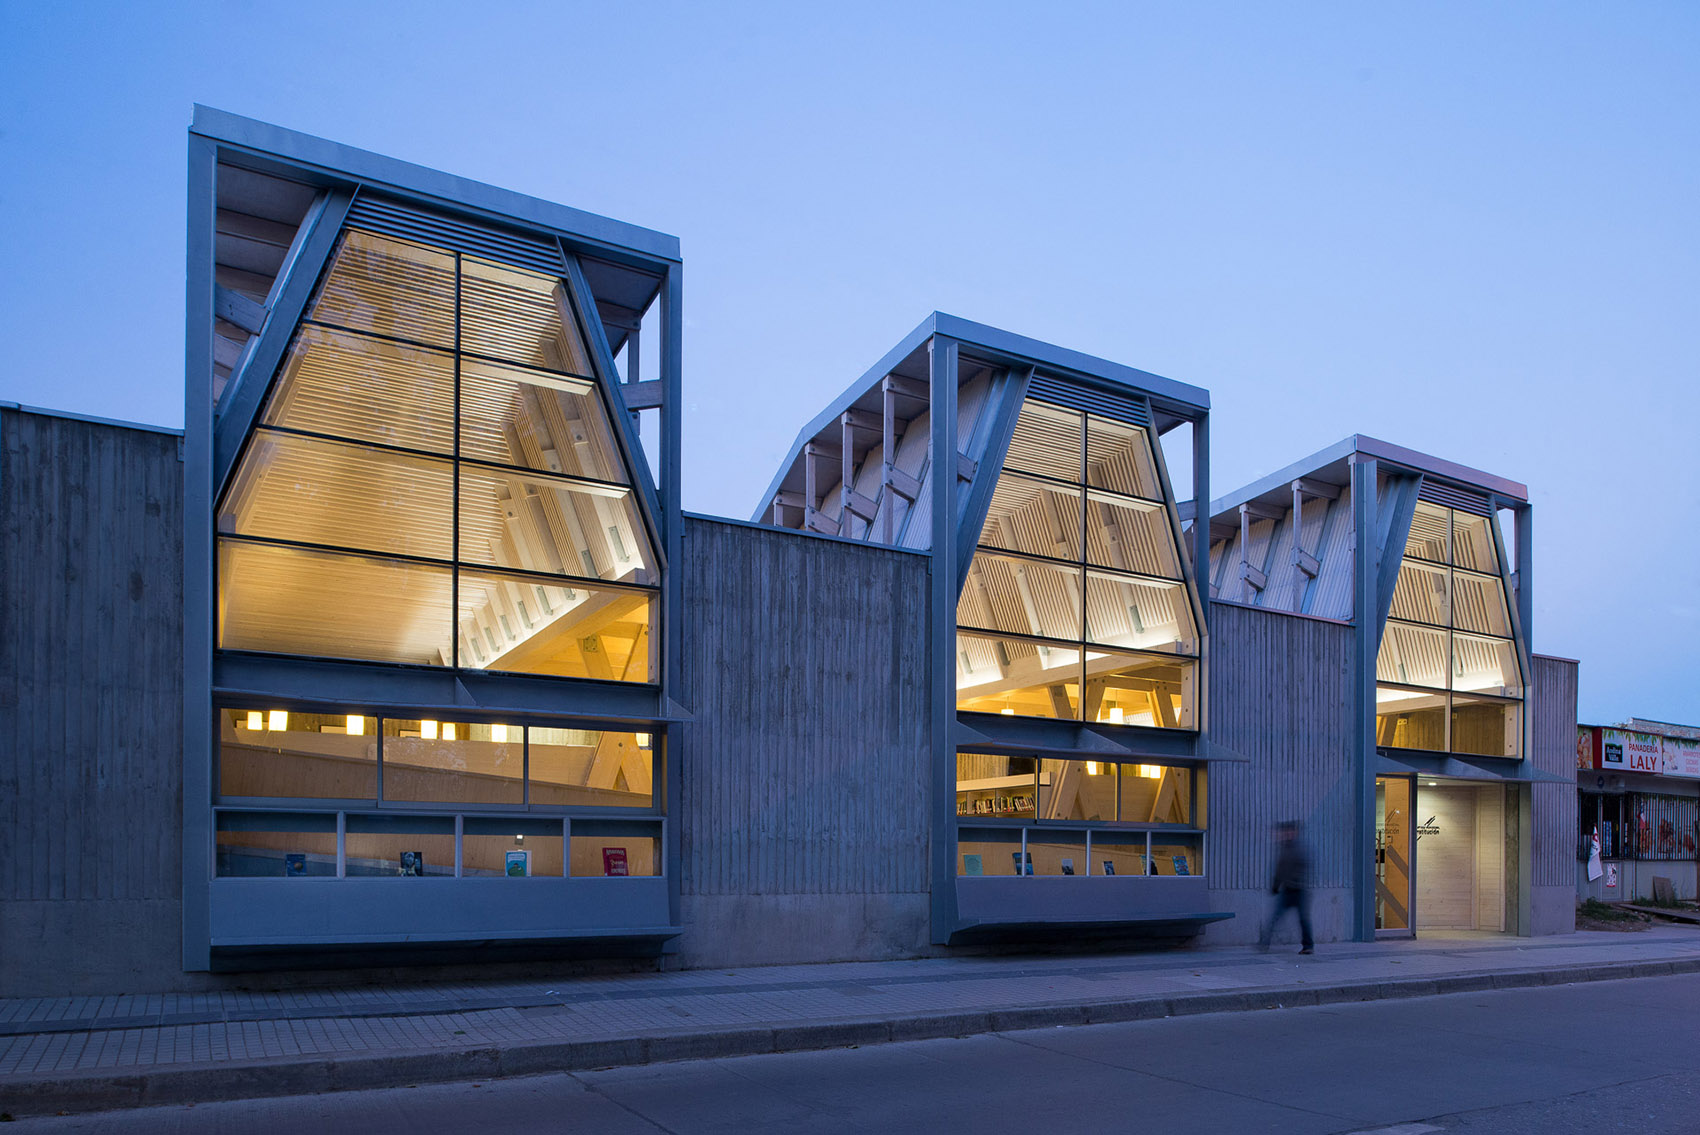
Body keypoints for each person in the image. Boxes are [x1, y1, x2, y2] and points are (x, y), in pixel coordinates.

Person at [1259, 819, 1313, 954]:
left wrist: (1279, 884)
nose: (1287, 834)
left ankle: (1308, 946)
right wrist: (1276, 885)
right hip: (1288, 889)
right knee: (1276, 917)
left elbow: (1293, 868)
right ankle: (1264, 942)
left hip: (1298, 889)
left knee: (1302, 919)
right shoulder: (1285, 848)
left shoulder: (1297, 849)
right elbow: (1280, 870)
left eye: (1289, 832)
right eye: (1286, 832)